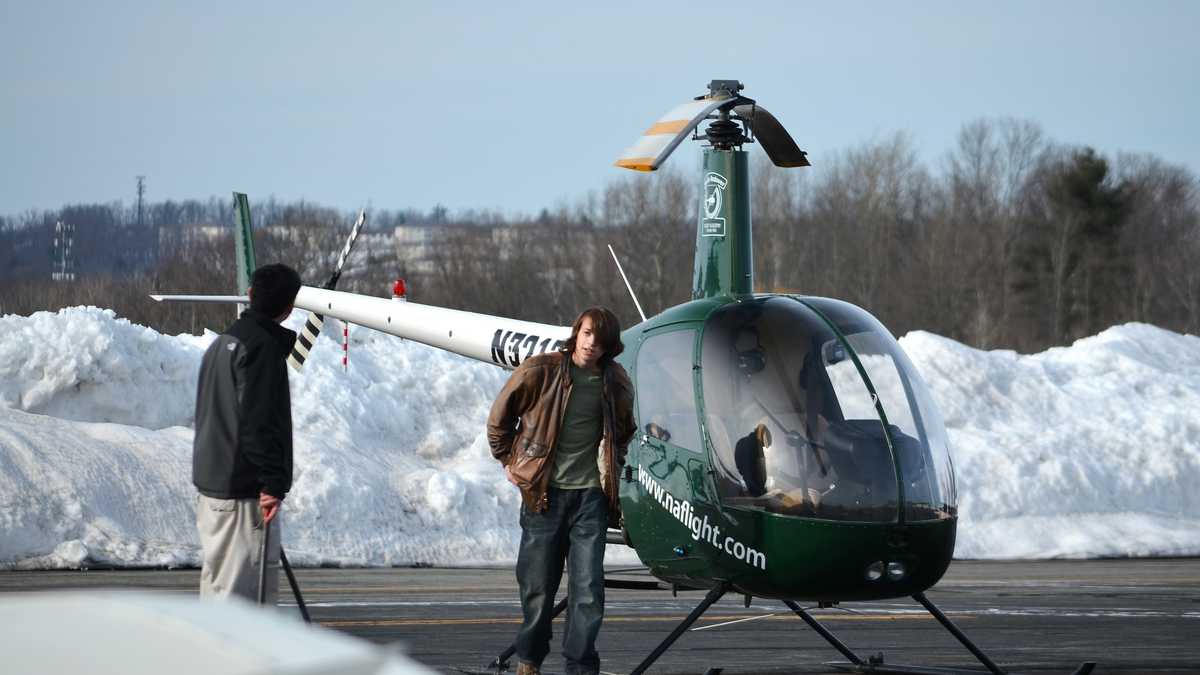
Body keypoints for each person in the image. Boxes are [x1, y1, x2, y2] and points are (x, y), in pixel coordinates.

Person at [487, 307, 636, 675]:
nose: (590, 345)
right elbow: (499, 419)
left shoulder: (614, 382)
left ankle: (581, 668)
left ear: (608, 347)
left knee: (588, 593)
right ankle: (530, 660)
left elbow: (624, 431)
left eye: (599, 341)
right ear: (577, 333)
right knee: (537, 589)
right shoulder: (542, 370)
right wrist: (510, 461)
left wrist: (610, 470)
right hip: (545, 496)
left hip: (590, 500)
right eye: (586, 334)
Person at [192, 263, 302, 604]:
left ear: (250, 295)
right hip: (243, 492)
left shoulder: (223, 344)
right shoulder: (261, 351)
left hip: (215, 487)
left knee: (219, 589)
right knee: (242, 601)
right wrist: (272, 483)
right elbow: (259, 421)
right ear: (289, 308)